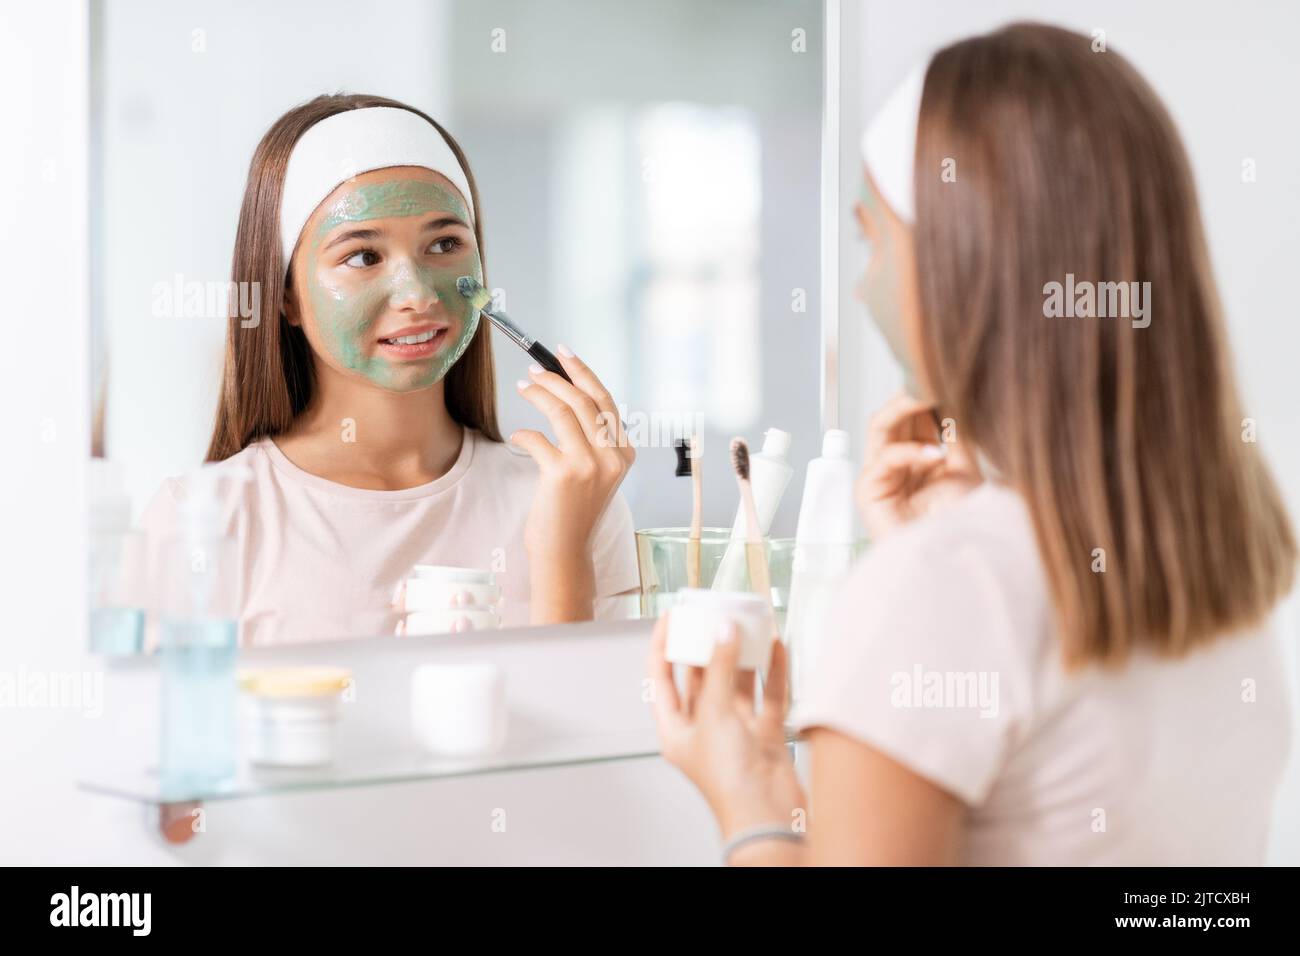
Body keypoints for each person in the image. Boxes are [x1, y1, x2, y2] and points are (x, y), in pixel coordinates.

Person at [649, 23, 1296, 866]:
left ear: (965, 268)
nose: (861, 283)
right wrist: (944, 553)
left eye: (871, 238)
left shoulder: (943, 587)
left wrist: (754, 801)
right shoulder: (1212, 575)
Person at [138, 94, 638, 645]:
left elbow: (606, 727)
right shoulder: (206, 519)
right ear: (287, 297)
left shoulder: (573, 498)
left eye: (445, 244)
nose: (418, 294)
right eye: (363, 256)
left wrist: (562, 553)